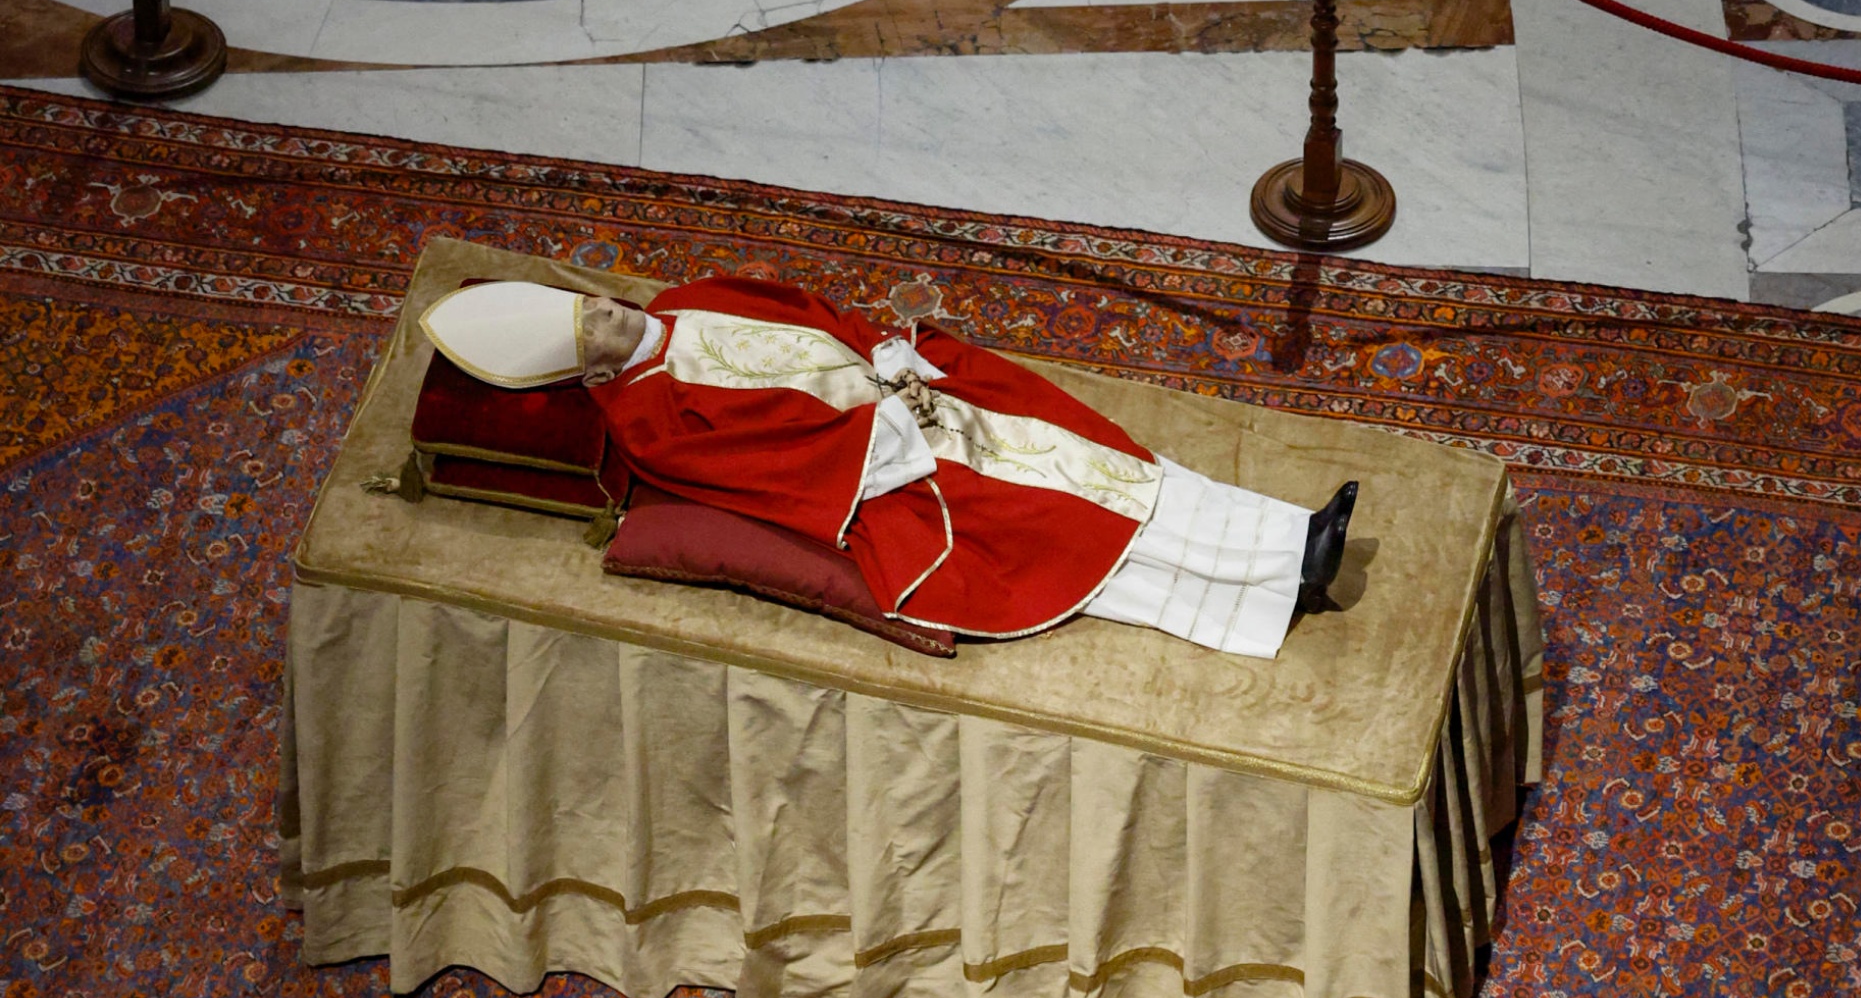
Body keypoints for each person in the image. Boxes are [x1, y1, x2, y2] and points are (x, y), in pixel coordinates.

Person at [419, 277, 1358, 658]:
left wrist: (892, 358)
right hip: (889, 475)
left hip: (912, 396)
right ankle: (1278, 585)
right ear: (588, 368)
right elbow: (767, 474)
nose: (615, 316)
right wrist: (890, 435)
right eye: (599, 331)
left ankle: (1288, 533)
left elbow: (814, 316)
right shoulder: (647, 420)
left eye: (598, 304)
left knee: (1108, 460)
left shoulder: (689, 297)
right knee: (1063, 525)